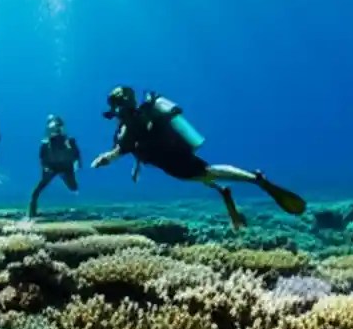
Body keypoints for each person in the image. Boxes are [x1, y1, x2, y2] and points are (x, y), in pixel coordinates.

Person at [89, 85, 305, 228]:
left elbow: (121, 150)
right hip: (171, 158)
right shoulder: (136, 120)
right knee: (205, 176)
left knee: (207, 173)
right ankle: (227, 195)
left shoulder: (131, 124)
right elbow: (133, 148)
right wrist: (134, 167)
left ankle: (255, 179)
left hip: (174, 159)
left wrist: (104, 159)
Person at [29, 114, 81, 218]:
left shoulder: (70, 141)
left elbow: (76, 155)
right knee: (36, 192)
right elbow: (42, 160)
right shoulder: (45, 144)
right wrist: (46, 169)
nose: (56, 133)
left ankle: (78, 207)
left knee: (74, 187)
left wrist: (76, 165)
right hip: (52, 168)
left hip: (66, 168)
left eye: (57, 129)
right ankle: (31, 213)